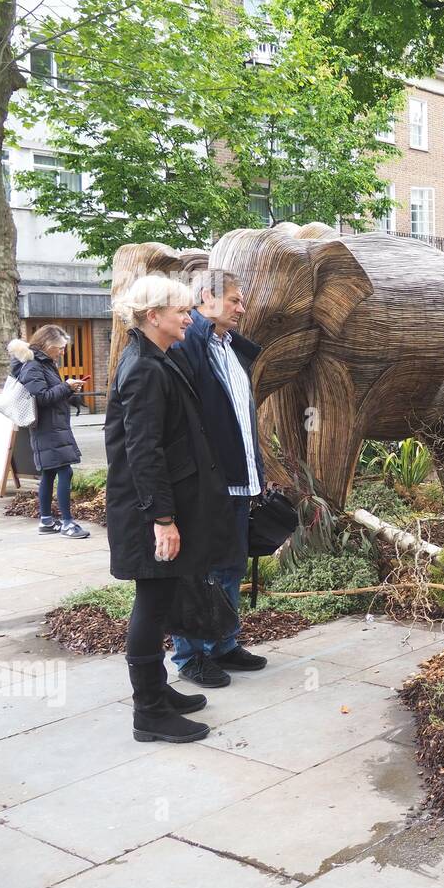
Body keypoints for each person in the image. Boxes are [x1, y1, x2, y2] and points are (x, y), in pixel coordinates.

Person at [104, 275, 235, 743]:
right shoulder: (143, 367)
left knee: (160, 604)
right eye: (180, 310)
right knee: (152, 604)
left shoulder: (156, 357)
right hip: (148, 514)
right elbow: (144, 452)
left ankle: (158, 692)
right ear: (152, 315)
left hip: (161, 506)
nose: (189, 316)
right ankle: (150, 713)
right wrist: (162, 519)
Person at [170, 269, 269, 687]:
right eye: (235, 300)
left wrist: (259, 473)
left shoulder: (231, 348)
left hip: (240, 481)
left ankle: (224, 644)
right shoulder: (190, 345)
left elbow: (242, 419)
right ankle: (189, 656)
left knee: (230, 569)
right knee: (196, 571)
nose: (243, 308)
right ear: (208, 300)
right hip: (207, 485)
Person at [7, 326, 91, 539]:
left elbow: (51, 394)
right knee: (64, 472)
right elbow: (42, 398)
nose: (63, 352)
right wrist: (66, 387)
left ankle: (46, 521)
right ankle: (67, 523)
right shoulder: (34, 365)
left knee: (49, 473)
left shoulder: (43, 363)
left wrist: (69, 390)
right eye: (60, 348)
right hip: (48, 428)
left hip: (52, 426)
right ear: (47, 345)